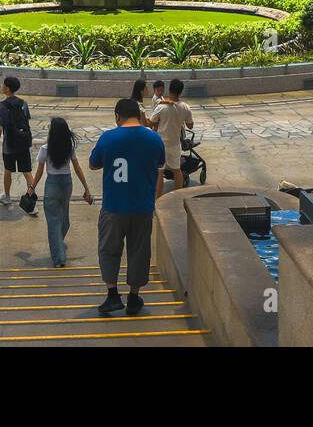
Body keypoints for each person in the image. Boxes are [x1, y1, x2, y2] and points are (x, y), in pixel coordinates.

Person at [89, 97, 166, 316]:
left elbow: (94, 164)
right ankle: (133, 297)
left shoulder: (108, 138)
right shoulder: (154, 139)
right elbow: (160, 164)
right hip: (142, 207)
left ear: (117, 116)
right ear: (139, 115)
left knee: (109, 249)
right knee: (139, 251)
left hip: (114, 206)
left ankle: (112, 295)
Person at [28, 117, 94, 267]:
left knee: (53, 222)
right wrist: (86, 188)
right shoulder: (69, 147)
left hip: (52, 185)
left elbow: (39, 172)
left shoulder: (45, 149)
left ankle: (58, 258)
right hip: (66, 184)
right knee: (64, 219)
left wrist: (32, 187)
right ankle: (58, 244)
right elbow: (77, 168)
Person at [0, 75, 36, 213]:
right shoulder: (23, 103)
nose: (2, 86)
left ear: (7, 88)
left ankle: (7, 196)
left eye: (3, 84)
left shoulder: (0, 106)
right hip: (23, 143)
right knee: (27, 171)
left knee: (8, 169)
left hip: (9, 145)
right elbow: (26, 122)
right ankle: (31, 201)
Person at [150, 77, 195, 192]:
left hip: (161, 144)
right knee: (177, 170)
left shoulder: (161, 107)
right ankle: (177, 198)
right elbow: (190, 125)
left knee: (160, 172)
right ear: (181, 92)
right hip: (175, 144)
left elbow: (152, 122)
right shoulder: (185, 107)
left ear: (169, 90)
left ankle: (158, 200)